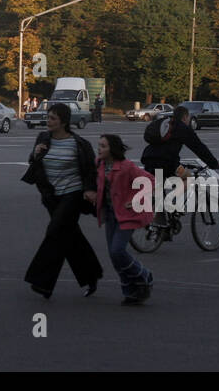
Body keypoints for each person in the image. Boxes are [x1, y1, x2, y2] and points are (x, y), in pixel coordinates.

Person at [22, 102, 104, 299]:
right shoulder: (43, 138)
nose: (48, 121)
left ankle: (42, 283)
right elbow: (33, 161)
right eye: (48, 117)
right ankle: (91, 275)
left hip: (73, 194)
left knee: (54, 232)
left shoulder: (79, 144)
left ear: (63, 122)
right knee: (71, 237)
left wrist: (90, 190)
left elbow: (90, 171)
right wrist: (34, 154)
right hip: (51, 196)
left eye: (53, 118)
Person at [140, 104, 219, 238]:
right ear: (185, 117)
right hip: (167, 163)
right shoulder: (182, 128)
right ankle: (170, 202)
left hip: (148, 159)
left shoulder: (163, 123)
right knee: (189, 178)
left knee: (159, 191)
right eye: (188, 118)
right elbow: (199, 147)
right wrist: (214, 164)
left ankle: (163, 228)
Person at [96, 134, 154, 305]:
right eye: (99, 145)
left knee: (117, 251)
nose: (99, 149)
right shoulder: (99, 164)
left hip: (127, 216)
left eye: (103, 146)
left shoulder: (127, 167)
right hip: (110, 215)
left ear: (112, 149)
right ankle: (130, 291)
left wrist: (136, 199)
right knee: (115, 257)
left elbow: (150, 180)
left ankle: (144, 274)